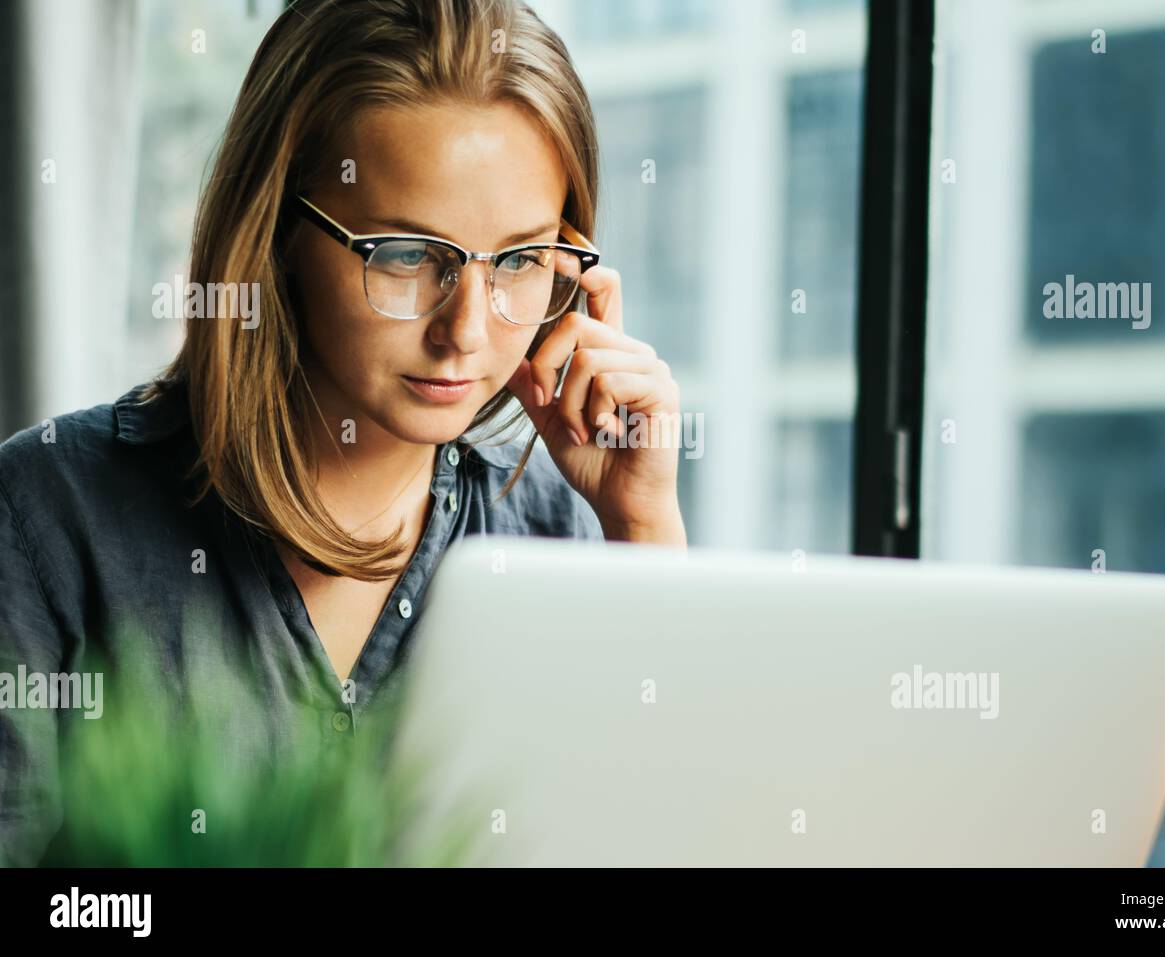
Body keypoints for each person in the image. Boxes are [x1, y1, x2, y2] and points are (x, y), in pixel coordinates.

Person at [0, 0, 684, 866]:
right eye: (404, 254)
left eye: (518, 261)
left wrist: (643, 527)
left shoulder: (566, 529)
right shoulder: (48, 517)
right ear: (277, 233)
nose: (466, 331)